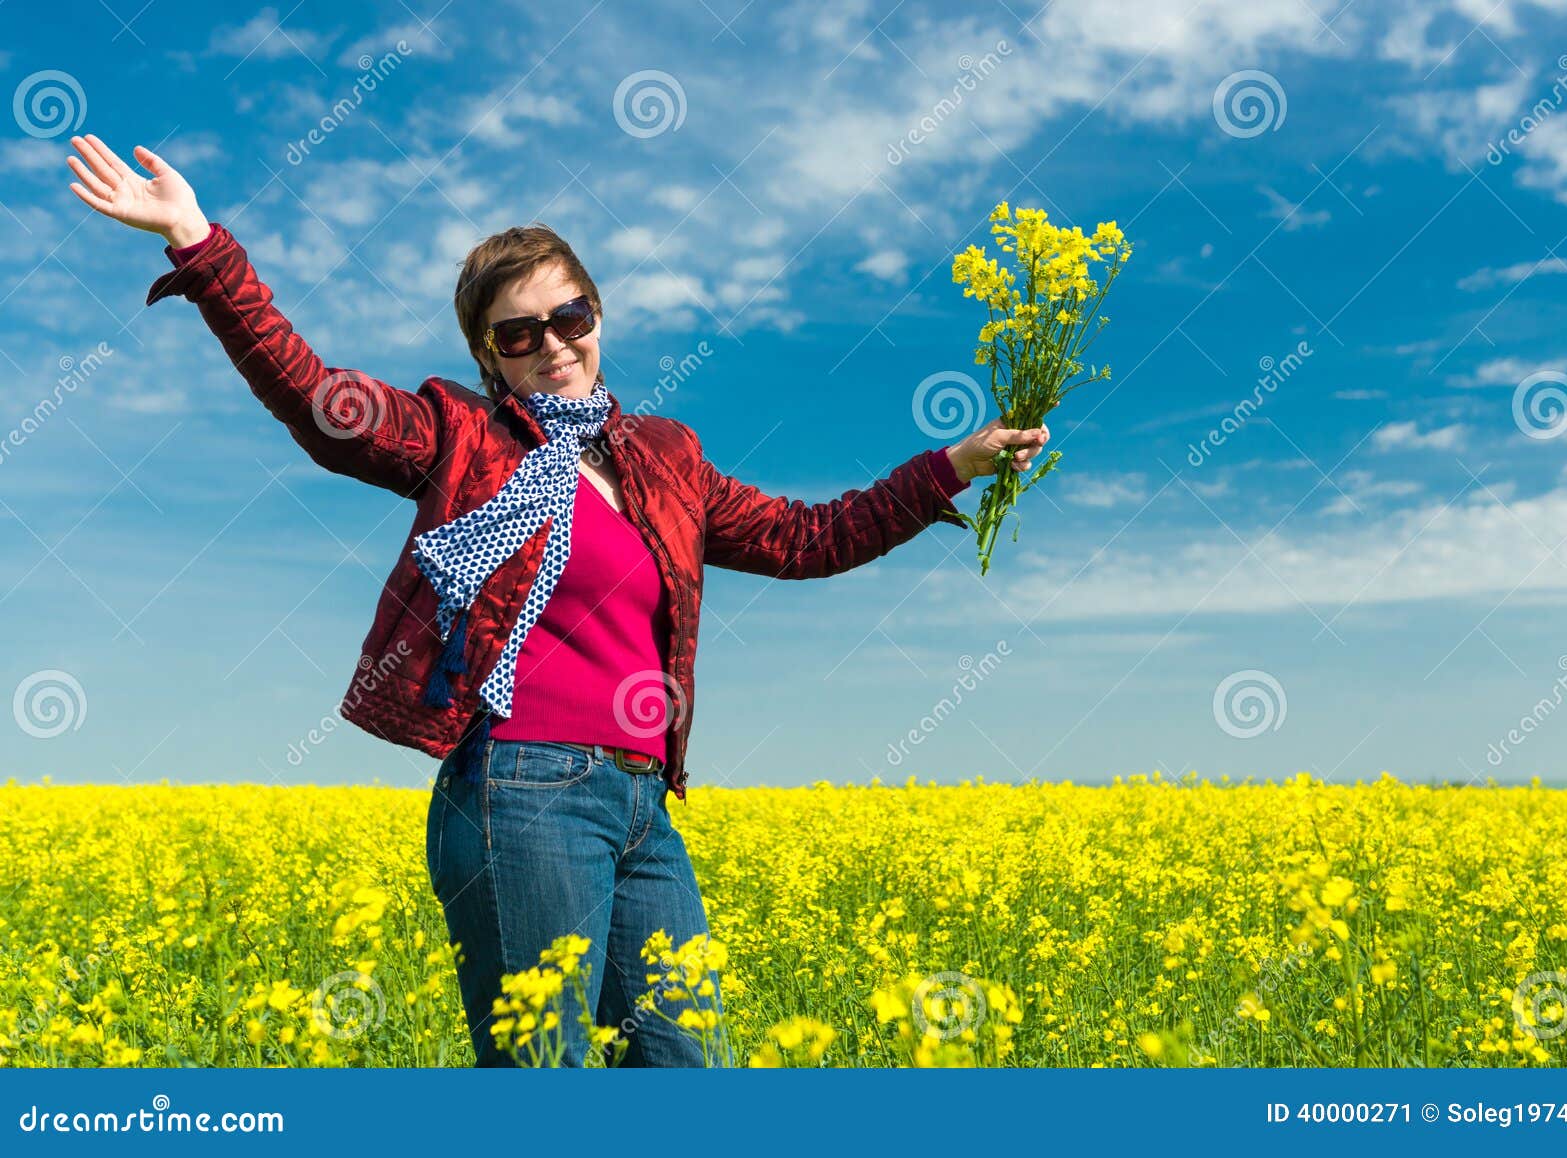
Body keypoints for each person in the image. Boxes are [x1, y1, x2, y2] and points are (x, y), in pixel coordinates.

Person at [65, 132, 1052, 1067]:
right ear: (490, 355)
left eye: (568, 317)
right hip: (519, 788)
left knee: (683, 1067)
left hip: (642, 798)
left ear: (598, 315)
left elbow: (808, 538)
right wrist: (199, 244)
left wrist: (950, 465)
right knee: (548, 1073)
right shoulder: (461, 437)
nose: (552, 344)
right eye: (520, 332)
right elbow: (317, 399)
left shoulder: (667, 458)